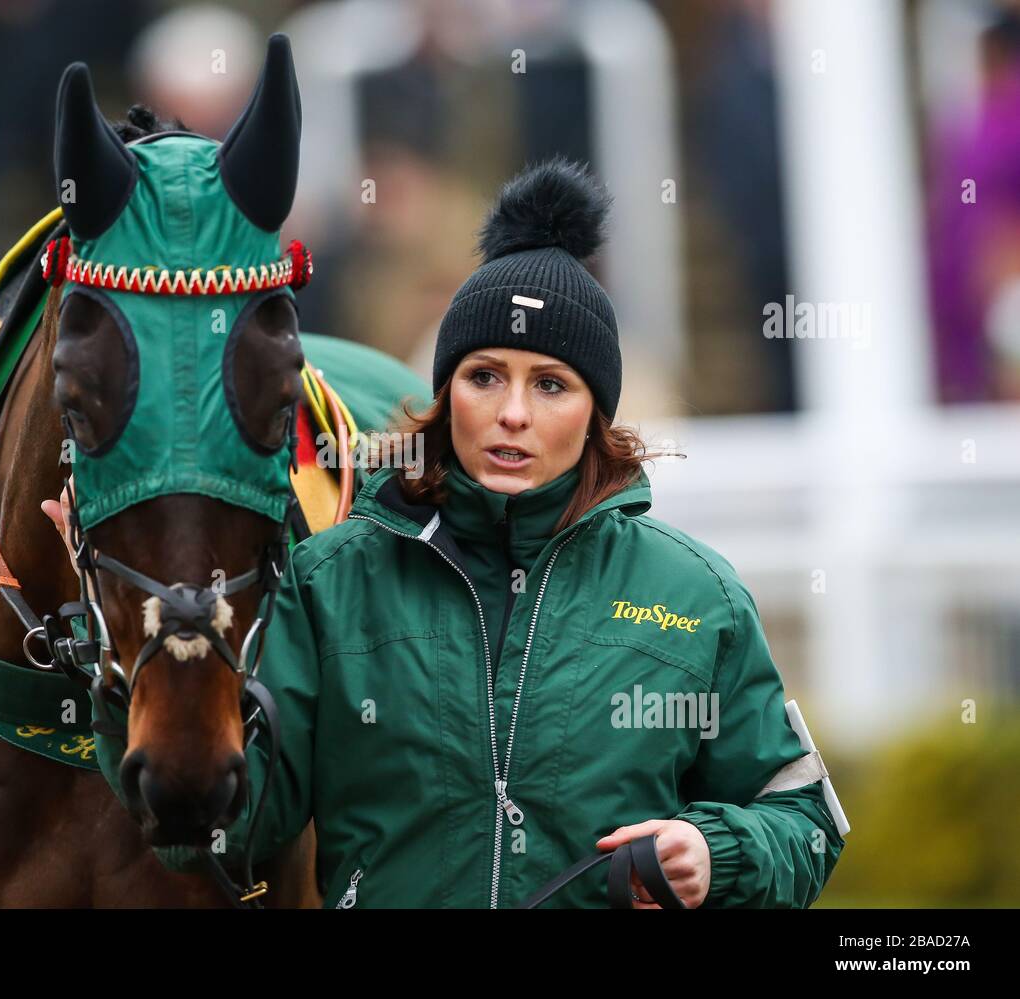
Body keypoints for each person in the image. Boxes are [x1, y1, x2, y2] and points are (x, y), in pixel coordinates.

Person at [57, 159, 846, 908]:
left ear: (595, 412)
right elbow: (215, 832)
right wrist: (114, 634)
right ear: (445, 394)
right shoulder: (328, 580)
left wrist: (713, 852)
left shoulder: (696, 597)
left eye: (550, 384)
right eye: (484, 375)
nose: (512, 413)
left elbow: (806, 823)